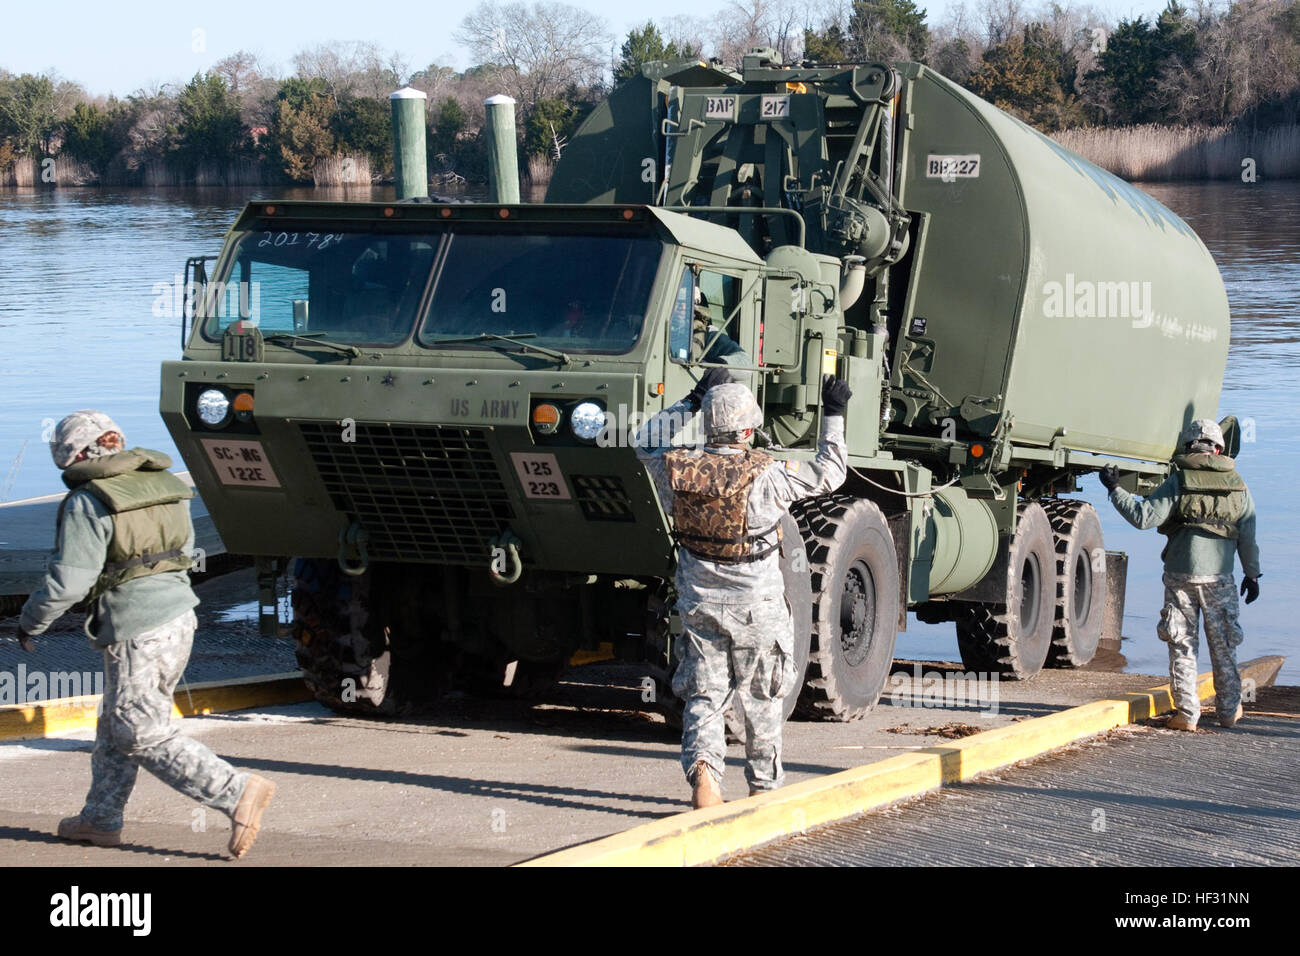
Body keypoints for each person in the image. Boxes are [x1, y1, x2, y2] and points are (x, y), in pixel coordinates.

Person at [12, 410, 275, 857]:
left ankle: (235, 791)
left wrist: (30, 622)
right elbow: (186, 551)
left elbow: (68, 582)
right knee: (116, 721)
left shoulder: (88, 501)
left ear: (72, 454)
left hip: (138, 627)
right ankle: (100, 819)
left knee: (139, 729)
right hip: (180, 618)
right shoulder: (166, 486)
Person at [635, 371, 849, 806]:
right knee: (762, 699)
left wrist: (693, 399)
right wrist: (835, 413)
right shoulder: (768, 475)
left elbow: (643, 441)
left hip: (698, 604)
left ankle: (706, 781)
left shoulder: (675, 469)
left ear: (708, 425)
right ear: (749, 429)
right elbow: (832, 472)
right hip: (757, 607)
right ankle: (763, 792)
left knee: (703, 694)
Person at [1100, 418, 1261, 730]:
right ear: (1219, 448)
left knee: (1183, 646)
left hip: (1180, 575)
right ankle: (1229, 712)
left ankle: (1187, 714)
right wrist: (1252, 576)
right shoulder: (1239, 485)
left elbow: (1143, 517)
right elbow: (1248, 536)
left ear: (1188, 446)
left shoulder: (1178, 480)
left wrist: (1114, 488)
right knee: (1224, 645)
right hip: (1220, 579)